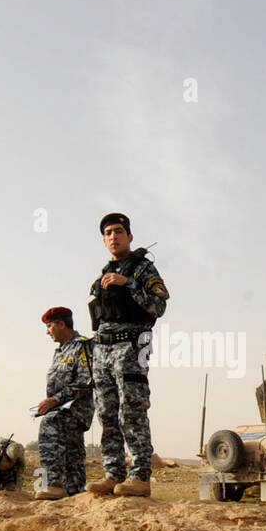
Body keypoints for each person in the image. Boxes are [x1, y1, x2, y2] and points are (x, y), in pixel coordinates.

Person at [86, 213, 169, 497]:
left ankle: (140, 476)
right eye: (108, 232)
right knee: (107, 415)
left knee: (132, 412)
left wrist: (128, 283)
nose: (113, 236)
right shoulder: (103, 273)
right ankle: (113, 474)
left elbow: (158, 307)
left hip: (131, 346)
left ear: (130, 237)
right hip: (103, 349)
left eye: (119, 231)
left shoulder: (142, 269)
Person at [34, 306, 95, 499]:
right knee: (72, 452)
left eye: (49, 326)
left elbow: (87, 381)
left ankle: (52, 484)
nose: (47, 332)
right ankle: (75, 490)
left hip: (77, 409)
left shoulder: (83, 346)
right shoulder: (60, 352)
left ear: (61, 324)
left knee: (49, 424)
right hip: (62, 409)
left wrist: (55, 400)